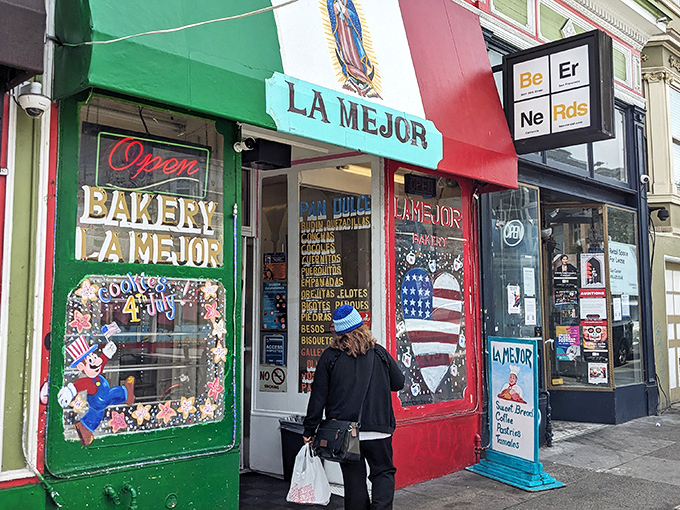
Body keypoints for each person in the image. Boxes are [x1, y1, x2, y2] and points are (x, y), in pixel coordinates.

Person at [303, 304, 405, 510]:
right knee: (383, 473)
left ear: (338, 332)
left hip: (346, 433)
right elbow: (399, 383)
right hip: (379, 429)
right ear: (362, 326)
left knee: (353, 480)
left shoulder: (330, 357)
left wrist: (309, 429)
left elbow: (318, 397)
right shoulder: (380, 354)